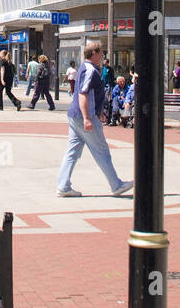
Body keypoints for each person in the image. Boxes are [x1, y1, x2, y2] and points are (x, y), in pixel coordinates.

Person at [57, 42, 133, 198]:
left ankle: (63, 186)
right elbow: (83, 94)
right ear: (94, 53)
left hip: (76, 116)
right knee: (101, 151)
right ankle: (116, 184)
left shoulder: (84, 68)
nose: (103, 56)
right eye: (101, 53)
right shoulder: (90, 71)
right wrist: (87, 118)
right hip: (84, 116)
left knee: (72, 152)